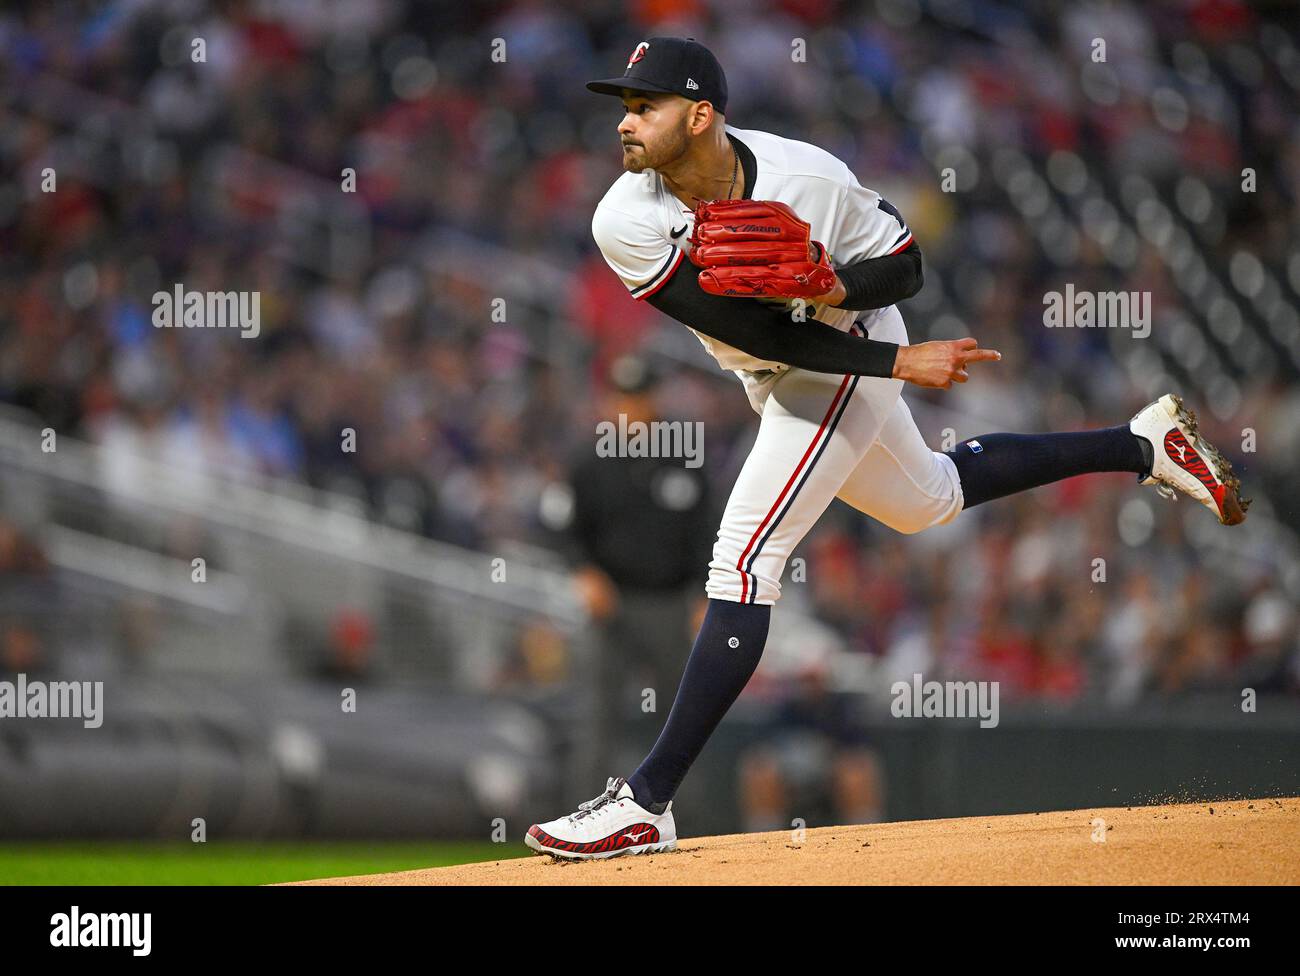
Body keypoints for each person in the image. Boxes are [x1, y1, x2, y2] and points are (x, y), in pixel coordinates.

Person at [524, 37, 1250, 860]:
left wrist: (839, 290)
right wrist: (897, 364)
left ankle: (646, 802)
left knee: (743, 560)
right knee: (929, 499)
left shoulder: (808, 178)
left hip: (848, 342)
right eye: (623, 106)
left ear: (700, 116)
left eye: (643, 106)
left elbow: (904, 266)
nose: (626, 123)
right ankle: (1140, 444)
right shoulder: (623, 215)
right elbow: (747, 327)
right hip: (796, 363)